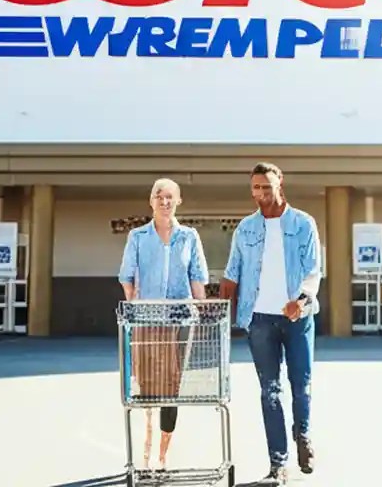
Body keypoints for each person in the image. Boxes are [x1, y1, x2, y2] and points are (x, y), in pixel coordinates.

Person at [220, 162, 322, 484]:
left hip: (297, 318)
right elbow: (231, 274)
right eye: (255, 188)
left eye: (266, 186)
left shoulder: (303, 224)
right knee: (270, 391)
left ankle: (302, 433)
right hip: (259, 319)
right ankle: (278, 462)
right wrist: (219, 311)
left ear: (280, 184)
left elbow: (312, 272)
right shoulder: (245, 229)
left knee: (301, 385)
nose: (261, 193)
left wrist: (302, 300)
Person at [117, 177, 210, 471]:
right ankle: (146, 443)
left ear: (178, 201)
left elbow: (197, 278)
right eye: (159, 196)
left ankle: (163, 453)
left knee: (172, 386)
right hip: (147, 321)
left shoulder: (190, 237)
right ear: (151, 201)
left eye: (170, 196)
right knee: (146, 386)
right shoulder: (138, 237)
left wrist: (203, 307)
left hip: (180, 321)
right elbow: (127, 278)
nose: (165, 201)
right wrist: (135, 308)